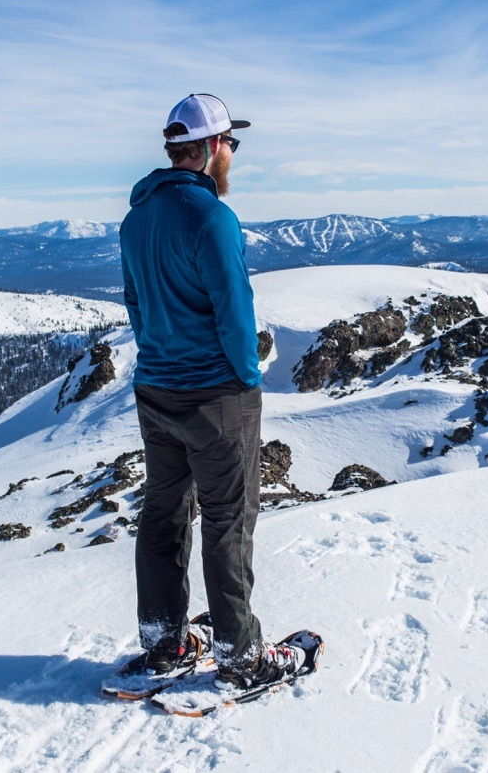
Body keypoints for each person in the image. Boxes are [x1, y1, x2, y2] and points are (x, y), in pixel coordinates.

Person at [118, 93, 302, 690]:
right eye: (232, 144)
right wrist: (247, 379)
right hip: (216, 396)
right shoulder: (212, 218)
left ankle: (162, 640)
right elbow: (234, 310)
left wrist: (159, 357)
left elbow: (138, 306)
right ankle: (239, 654)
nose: (234, 156)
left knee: (164, 513)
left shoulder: (137, 216)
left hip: (157, 389)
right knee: (228, 519)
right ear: (212, 147)